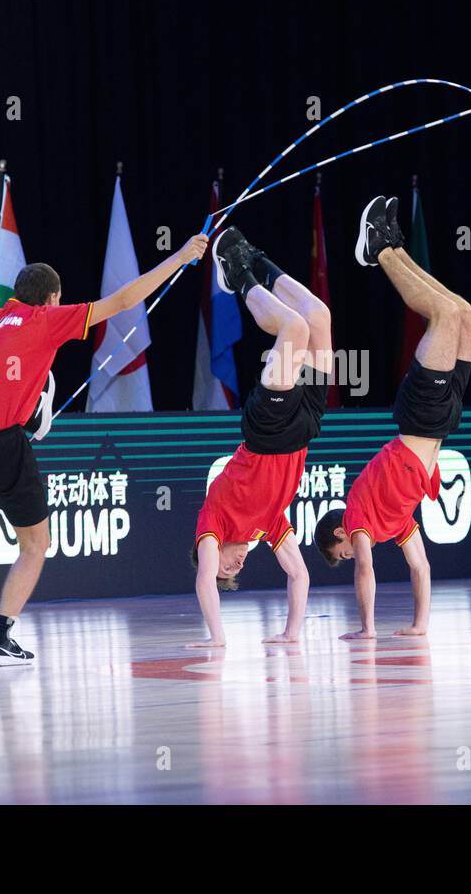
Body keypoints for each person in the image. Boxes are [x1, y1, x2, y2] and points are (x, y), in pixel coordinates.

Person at [0, 233, 208, 666]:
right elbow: (125, 297)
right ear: (52, 299)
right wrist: (181, 257)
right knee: (36, 546)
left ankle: (24, 408)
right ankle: (0, 639)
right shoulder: (46, 320)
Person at [313, 196, 471, 639]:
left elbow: (365, 570)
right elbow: (420, 566)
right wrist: (419, 625)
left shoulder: (360, 516)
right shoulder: (394, 522)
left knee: (442, 314)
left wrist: (367, 629)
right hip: (444, 418)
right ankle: (393, 244)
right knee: (462, 312)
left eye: (341, 551)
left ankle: (380, 251)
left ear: (342, 531)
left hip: (421, 417)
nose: (352, 554)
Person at [187, 226, 332, 647]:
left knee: (294, 330)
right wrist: (291, 632)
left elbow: (203, 580)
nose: (234, 566)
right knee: (318, 317)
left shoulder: (212, 523)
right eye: (236, 572)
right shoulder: (266, 526)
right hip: (306, 427)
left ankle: (239, 278)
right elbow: (299, 575)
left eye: (225, 569)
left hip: (267, 431)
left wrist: (217, 638)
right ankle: (256, 259)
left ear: (209, 556)